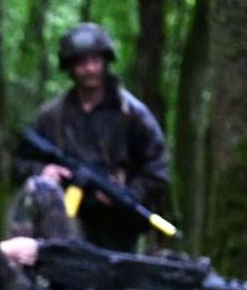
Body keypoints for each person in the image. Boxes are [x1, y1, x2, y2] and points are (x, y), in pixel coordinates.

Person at [9, 22, 169, 252]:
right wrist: (42, 172)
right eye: (81, 63)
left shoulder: (133, 114)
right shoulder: (51, 115)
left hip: (118, 227)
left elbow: (158, 170)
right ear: (70, 67)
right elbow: (18, 164)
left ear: (105, 61)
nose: (90, 68)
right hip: (63, 222)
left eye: (95, 61)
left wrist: (128, 192)